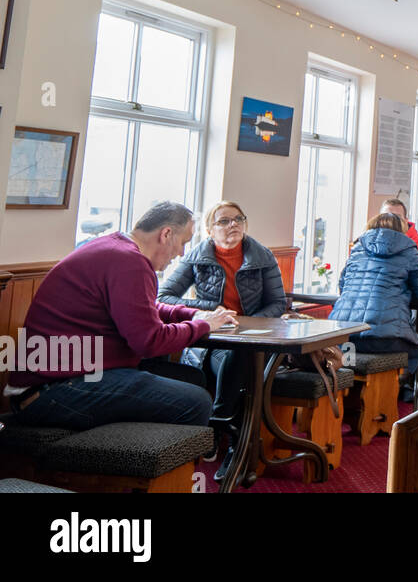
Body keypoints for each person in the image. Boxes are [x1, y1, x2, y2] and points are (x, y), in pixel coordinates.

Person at [5, 201, 238, 430]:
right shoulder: (130, 262)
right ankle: (148, 464)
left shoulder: (116, 248)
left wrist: (194, 314)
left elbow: (144, 309)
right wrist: (202, 326)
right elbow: (150, 341)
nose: (181, 253)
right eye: (183, 243)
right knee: (197, 402)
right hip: (54, 390)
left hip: (60, 380)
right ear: (166, 234)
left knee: (192, 379)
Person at [158, 200, 285, 475]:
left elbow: (278, 303)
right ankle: (233, 438)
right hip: (212, 341)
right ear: (209, 230)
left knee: (241, 356)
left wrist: (244, 323)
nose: (233, 225)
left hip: (255, 340)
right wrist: (210, 311)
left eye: (238, 219)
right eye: (224, 221)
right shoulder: (196, 256)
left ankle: (219, 425)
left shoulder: (262, 256)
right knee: (233, 360)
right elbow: (163, 297)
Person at [330, 212, 418, 403]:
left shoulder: (357, 248)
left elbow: (343, 284)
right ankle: (397, 395)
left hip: (343, 336)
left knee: (349, 351)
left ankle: (357, 400)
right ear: (400, 230)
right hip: (385, 339)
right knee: (416, 348)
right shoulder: (408, 249)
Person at [380, 198, 418, 266]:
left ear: (406, 220)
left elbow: (417, 270)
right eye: (386, 216)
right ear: (379, 219)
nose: (392, 220)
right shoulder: (368, 239)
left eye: (397, 217)